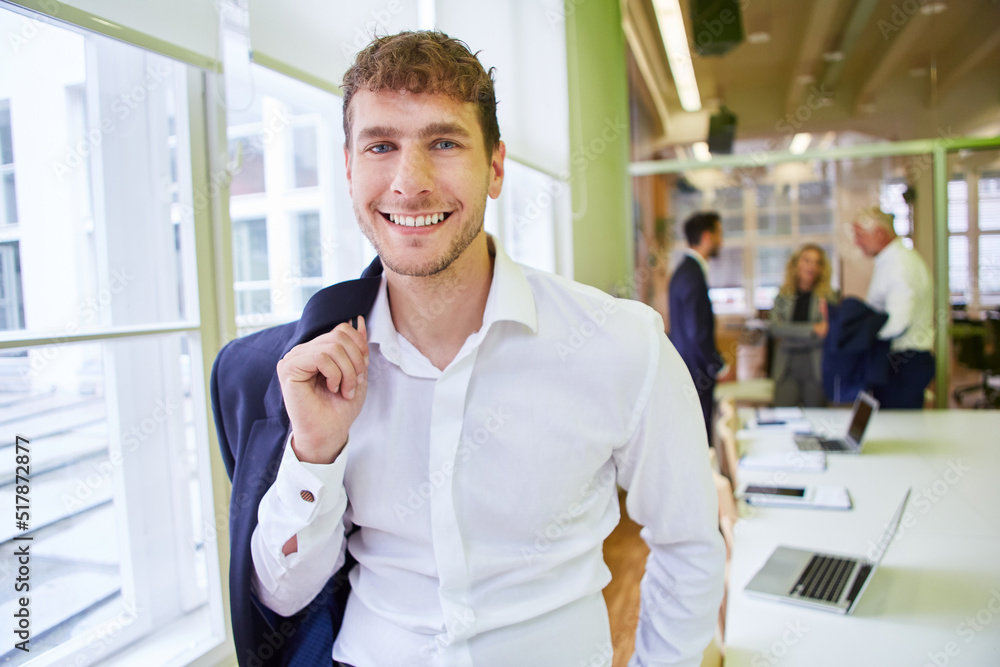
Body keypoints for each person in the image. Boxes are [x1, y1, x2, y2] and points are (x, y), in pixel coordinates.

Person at [211, 31, 724, 667]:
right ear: (349, 168)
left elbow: (690, 544)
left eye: (444, 142)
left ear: (497, 167)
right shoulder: (314, 367)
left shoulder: (621, 344)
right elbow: (281, 598)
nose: (409, 182)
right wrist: (315, 454)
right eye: (380, 146)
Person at [850, 206, 934, 408]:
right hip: (898, 360)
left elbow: (898, 323)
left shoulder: (900, 265)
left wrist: (859, 336)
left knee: (900, 429)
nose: (857, 242)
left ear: (879, 233)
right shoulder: (892, 260)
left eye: (860, 235)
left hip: (904, 363)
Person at [668, 211, 725, 444]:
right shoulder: (692, 275)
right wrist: (718, 366)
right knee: (700, 439)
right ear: (707, 237)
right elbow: (696, 332)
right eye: (720, 234)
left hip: (690, 368)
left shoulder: (685, 271)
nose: (722, 241)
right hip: (696, 371)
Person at [768, 244, 834, 407]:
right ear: (796, 264)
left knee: (815, 418)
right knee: (783, 416)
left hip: (815, 367)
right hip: (786, 366)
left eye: (817, 262)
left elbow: (827, 334)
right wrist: (812, 329)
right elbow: (774, 328)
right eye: (807, 260)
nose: (812, 266)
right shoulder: (783, 297)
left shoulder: (828, 298)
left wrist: (789, 335)